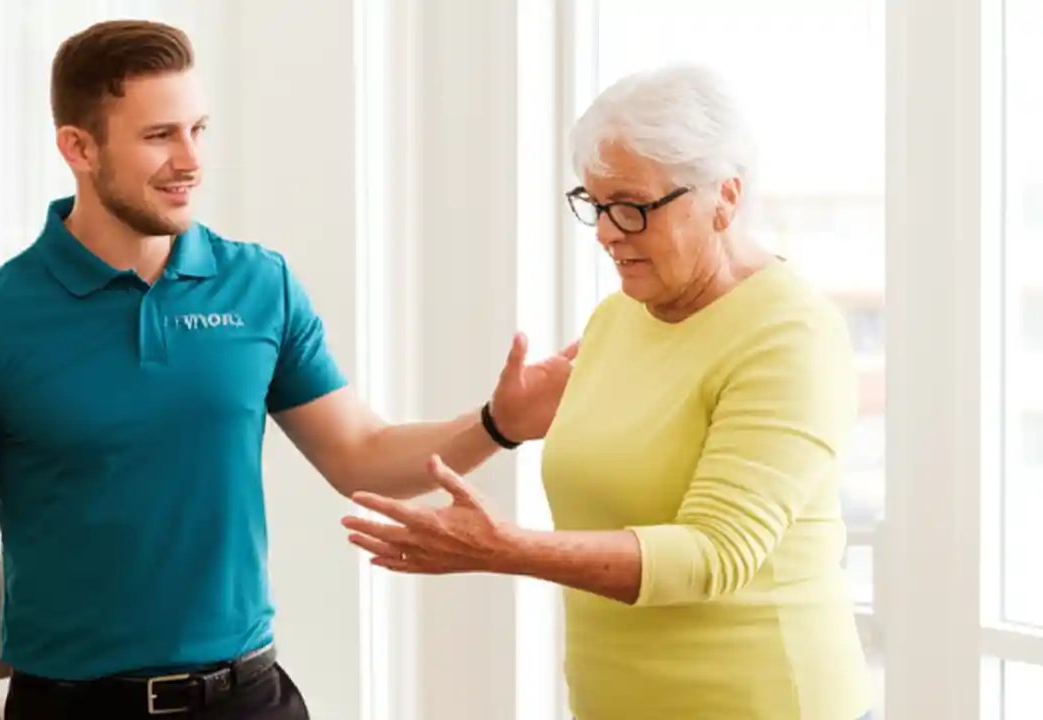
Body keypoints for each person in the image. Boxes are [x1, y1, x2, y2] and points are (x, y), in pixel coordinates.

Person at [0, 19, 575, 720]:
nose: (190, 159)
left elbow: (361, 454)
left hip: (247, 698)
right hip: (71, 706)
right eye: (160, 135)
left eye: (199, 129)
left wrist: (496, 425)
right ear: (79, 147)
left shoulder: (259, 286)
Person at [343, 64, 874, 720]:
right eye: (594, 204)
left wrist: (506, 547)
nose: (605, 232)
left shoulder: (789, 334)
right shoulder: (619, 316)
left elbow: (715, 552)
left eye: (632, 207)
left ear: (725, 198)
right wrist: (504, 422)